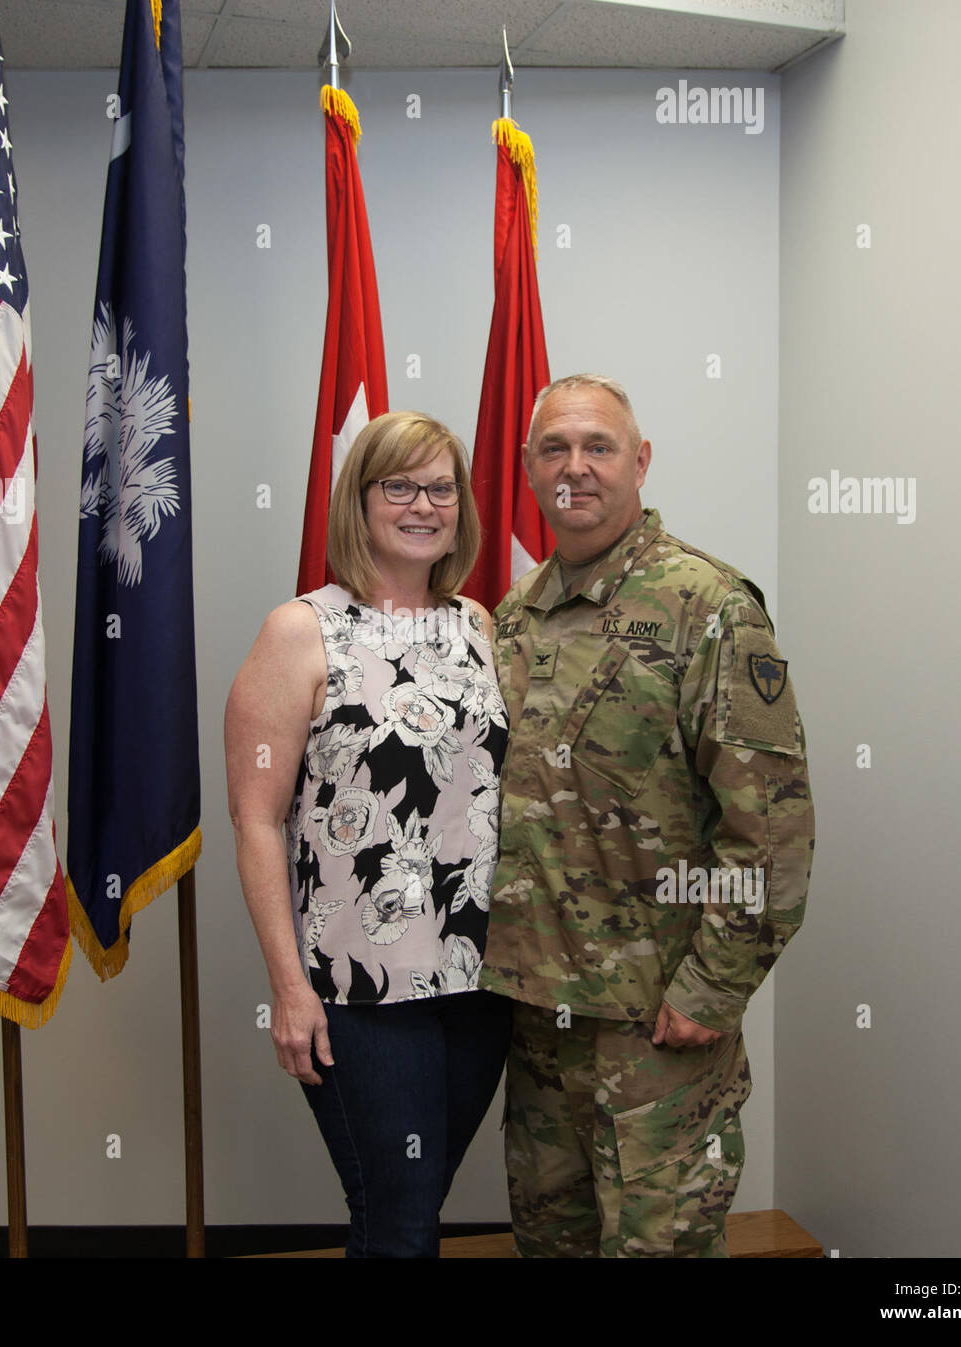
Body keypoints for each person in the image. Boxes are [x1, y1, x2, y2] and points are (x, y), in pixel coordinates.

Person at [480, 373, 815, 1258]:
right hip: (541, 1025)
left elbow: (771, 830)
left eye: (599, 447)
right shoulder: (515, 616)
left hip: (657, 1031)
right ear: (527, 469)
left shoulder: (708, 607)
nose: (576, 468)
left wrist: (712, 988)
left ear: (641, 461)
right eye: (555, 448)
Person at [225, 410, 513, 1258]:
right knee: (403, 1219)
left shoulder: (478, 625)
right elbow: (255, 817)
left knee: (399, 1208)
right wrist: (288, 986)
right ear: (360, 499)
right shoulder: (301, 630)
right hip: (359, 990)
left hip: (478, 981)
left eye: (442, 487)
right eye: (400, 486)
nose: (424, 504)